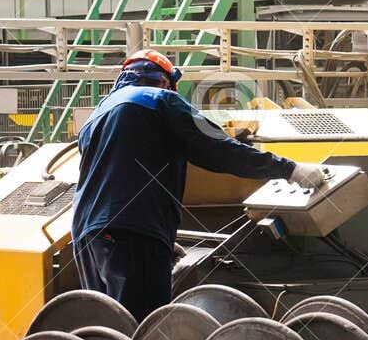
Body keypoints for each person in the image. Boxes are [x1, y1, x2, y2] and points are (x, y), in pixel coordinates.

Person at [70, 49, 327, 320]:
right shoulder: (160, 100)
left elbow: (122, 172)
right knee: (143, 329)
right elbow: (219, 149)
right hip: (133, 231)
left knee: (109, 329)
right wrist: (290, 169)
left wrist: (164, 244)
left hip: (87, 235)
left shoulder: (96, 116)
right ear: (164, 82)